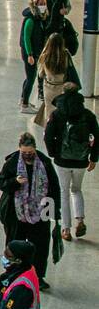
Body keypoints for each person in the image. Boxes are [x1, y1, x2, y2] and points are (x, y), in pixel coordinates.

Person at [0, 133, 60, 289]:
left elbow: (54, 187)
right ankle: (12, 273)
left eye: (30, 152)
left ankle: (38, 276)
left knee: (40, 245)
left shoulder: (44, 162)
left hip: (40, 211)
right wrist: (14, 182)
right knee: (15, 244)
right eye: (24, 153)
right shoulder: (12, 162)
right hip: (15, 212)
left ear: (35, 149)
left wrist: (55, 210)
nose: (27, 155)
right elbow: (0, 182)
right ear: (20, 149)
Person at [44, 86, 97, 242]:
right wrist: (93, 158)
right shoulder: (87, 115)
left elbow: (48, 137)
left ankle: (66, 229)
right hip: (81, 160)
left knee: (64, 192)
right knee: (76, 189)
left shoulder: (57, 114)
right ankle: (80, 220)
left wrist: (53, 153)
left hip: (62, 161)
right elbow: (97, 136)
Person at [18, 0, 50, 113]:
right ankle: (25, 105)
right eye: (40, 4)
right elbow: (26, 38)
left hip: (34, 52)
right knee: (31, 78)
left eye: (44, 4)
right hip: (29, 53)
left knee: (29, 77)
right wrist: (30, 54)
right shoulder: (31, 19)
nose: (43, 6)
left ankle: (23, 99)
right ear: (35, 5)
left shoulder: (40, 18)